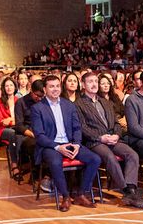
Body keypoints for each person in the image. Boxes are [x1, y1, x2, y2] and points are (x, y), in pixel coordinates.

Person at [29, 75, 102, 212]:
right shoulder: (37, 108)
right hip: (51, 145)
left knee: (95, 159)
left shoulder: (69, 105)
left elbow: (77, 128)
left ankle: (81, 194)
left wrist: (77, 144)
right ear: (45, 89)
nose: (55, 89)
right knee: (55, 163)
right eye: (51, 86)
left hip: (70, 144)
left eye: (57, 86)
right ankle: (66, 196)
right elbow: (39, 136)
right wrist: (58, 146)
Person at [75, 71, 143, 208]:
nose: (94, 84)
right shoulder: (79, 104)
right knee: (109, 156)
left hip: (112, 138)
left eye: (96, 81)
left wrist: (117, 135)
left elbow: (116, 123)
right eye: (90, 82)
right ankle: (126, 191)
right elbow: (82, 127)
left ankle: (131, 188)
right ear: (83, 84)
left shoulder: (105, 102)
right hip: (95, 141)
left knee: (132, 154)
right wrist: (101, 138)